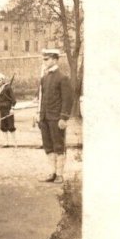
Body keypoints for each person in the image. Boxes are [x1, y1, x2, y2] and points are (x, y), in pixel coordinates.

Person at [37, 49, 73, 183]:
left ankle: (59, 174)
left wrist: (63, 118)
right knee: (48, 146)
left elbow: (67, 99)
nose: (44, 62)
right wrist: (39, 115)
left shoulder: (62, 78)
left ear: (55, 60)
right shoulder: (44, 78)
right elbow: (42, 99)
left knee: (58, 146)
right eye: (44, 59)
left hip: (56, 119)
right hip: (45, 118)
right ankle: (52, 172)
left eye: (46, 59)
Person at [0, 72, 17, 148]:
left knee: (11, 126)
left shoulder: (8, 88)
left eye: (0, 80)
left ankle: (14, 142)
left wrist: (12, 108)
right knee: (3, 126)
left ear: (3, 80)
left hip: (8, 109)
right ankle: (6, 143)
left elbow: (13, 99)